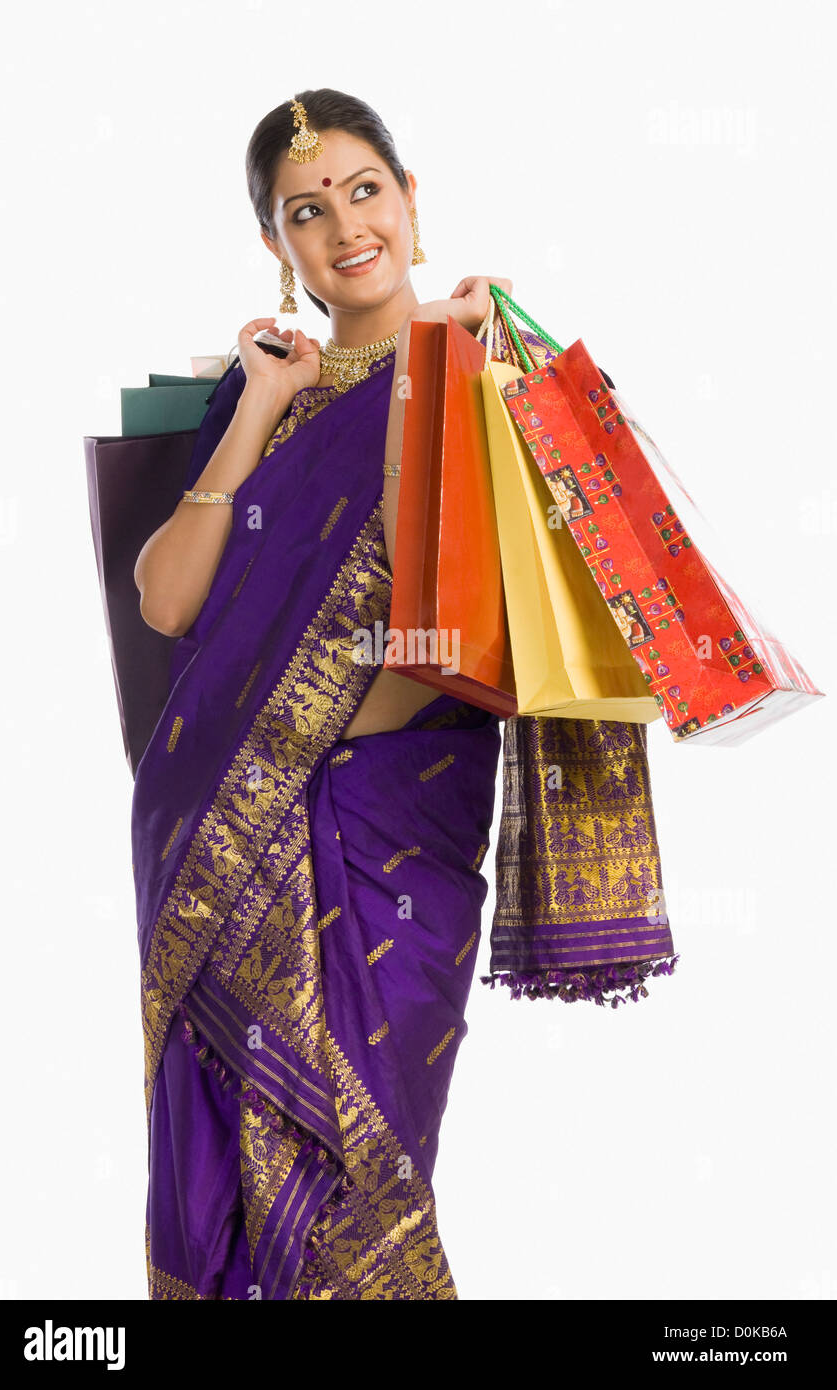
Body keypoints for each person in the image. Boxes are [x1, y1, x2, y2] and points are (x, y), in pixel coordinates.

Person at [131, 88, 677, 1301]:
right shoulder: (258, 391)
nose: (342, 228)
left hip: (394, 829)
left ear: (410, 200)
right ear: (276, 249)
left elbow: (477, 590)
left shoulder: (486, 369)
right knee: (215, 1145)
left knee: (365, 1151)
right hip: (218, 828)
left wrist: (444, 359)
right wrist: (259, 403)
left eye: (362, 190)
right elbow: (167, 602)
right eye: (303, 212)